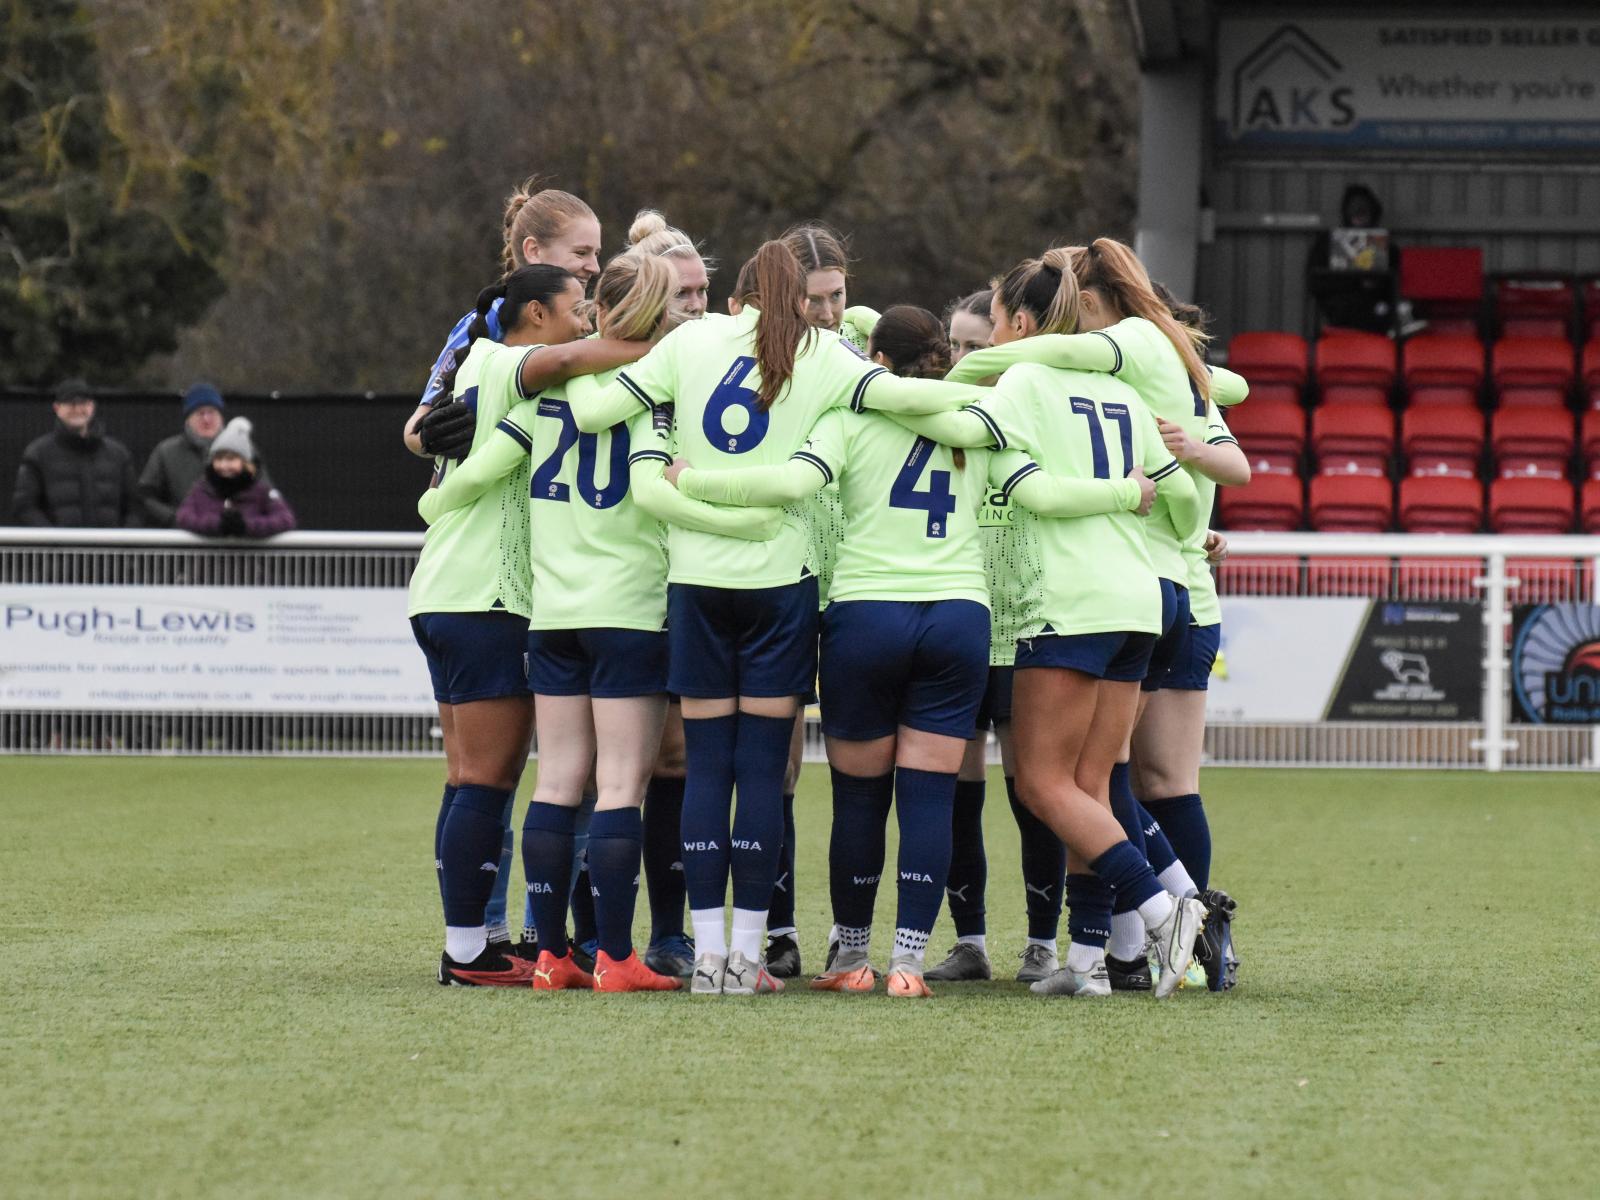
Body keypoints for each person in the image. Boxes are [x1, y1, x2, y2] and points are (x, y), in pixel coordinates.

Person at [670, 304, 1154, 996]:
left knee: (860, 799)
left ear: (880, 363)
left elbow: (795, 484)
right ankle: (907, 965)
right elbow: (1029, 494)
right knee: (930, 797)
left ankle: (851, 961)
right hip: (958, 619)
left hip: (866, 617)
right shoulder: (974, 425)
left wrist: (691, 479)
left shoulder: (848, 418)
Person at [565, 239, 987, 995]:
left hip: (696, 581)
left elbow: (595, 407)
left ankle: (705, 959)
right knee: (762, 769)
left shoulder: (688, 340)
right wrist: (991, 384)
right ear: (798, 298)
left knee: (704, 767)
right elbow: (911, 398)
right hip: (780, 583)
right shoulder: (823, 353)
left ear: (739, 295)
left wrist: (619, 365)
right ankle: (748, 960)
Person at [416, 252, 783, 991]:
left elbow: (480, 466)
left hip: (551, 615)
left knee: (556, 785)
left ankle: (550, 954)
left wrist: (432, 506)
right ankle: (615, 956)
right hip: (629, 610)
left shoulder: (552, 388)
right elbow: (663, 489)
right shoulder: (663, 393)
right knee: (620, 787)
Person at [883, 249, 1209, 998]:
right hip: (1140, 600)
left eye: (994, 324)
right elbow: (1186, 506)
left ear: (1023, 325)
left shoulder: (1021, 384)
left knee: (1041, 783)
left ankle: (1165, 912)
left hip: (1070, 602)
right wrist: (1136, 495)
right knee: (1093, 785)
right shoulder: (1122, 392)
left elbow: (1002, 468)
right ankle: (1090, 966)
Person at [410, 263, 653, 987]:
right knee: (489, 780)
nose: (585, 319)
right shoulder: (510, 364)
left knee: (465, 779)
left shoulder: (478, 362)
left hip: (444, 587)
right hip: (488, 596)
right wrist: (680, 349)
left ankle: (473, 943)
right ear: (538, 314)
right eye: (578, 307)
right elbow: (577, 358)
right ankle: (468, 955)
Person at [926, 287, 1078, 985]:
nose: (964, 358)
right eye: (953, 346)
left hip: (1022, 626)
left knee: (1033, 792)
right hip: (958, 623)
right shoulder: (938, 420)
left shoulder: (1033, 408)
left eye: (976, 344)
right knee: (958, 793)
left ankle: (1043, 942)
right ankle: (971, 941)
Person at [11, 379, 141, 528]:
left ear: (92, 407)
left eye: (83, 403)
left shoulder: (119, 454)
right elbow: (25, 507)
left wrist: (121, 543)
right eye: (71, 404)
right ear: (57, 408)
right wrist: (54, 542)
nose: (77, 409)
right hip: (57, 550)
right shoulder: (37, 453)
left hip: (109, 550)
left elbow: (135, 508)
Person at [140, 383, 268, 526]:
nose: (207, 419)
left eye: (212, 412)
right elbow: (146, 497)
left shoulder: (245, 450)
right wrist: (176, 518)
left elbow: (266, 491)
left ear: (221, 416)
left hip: (235, 541)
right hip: (182, 540)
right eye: (200, 413)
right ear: (188, 418)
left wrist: (242, 521)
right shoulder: (166, 452)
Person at [174, 418, 296, 537]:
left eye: (231, 459)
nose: (224, 465)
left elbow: (285, 519)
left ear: (245, 462)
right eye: (219, 459)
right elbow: (183, 517)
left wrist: (246, 526)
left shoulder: (262, 491)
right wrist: (218, 525)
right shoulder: (202, 489)